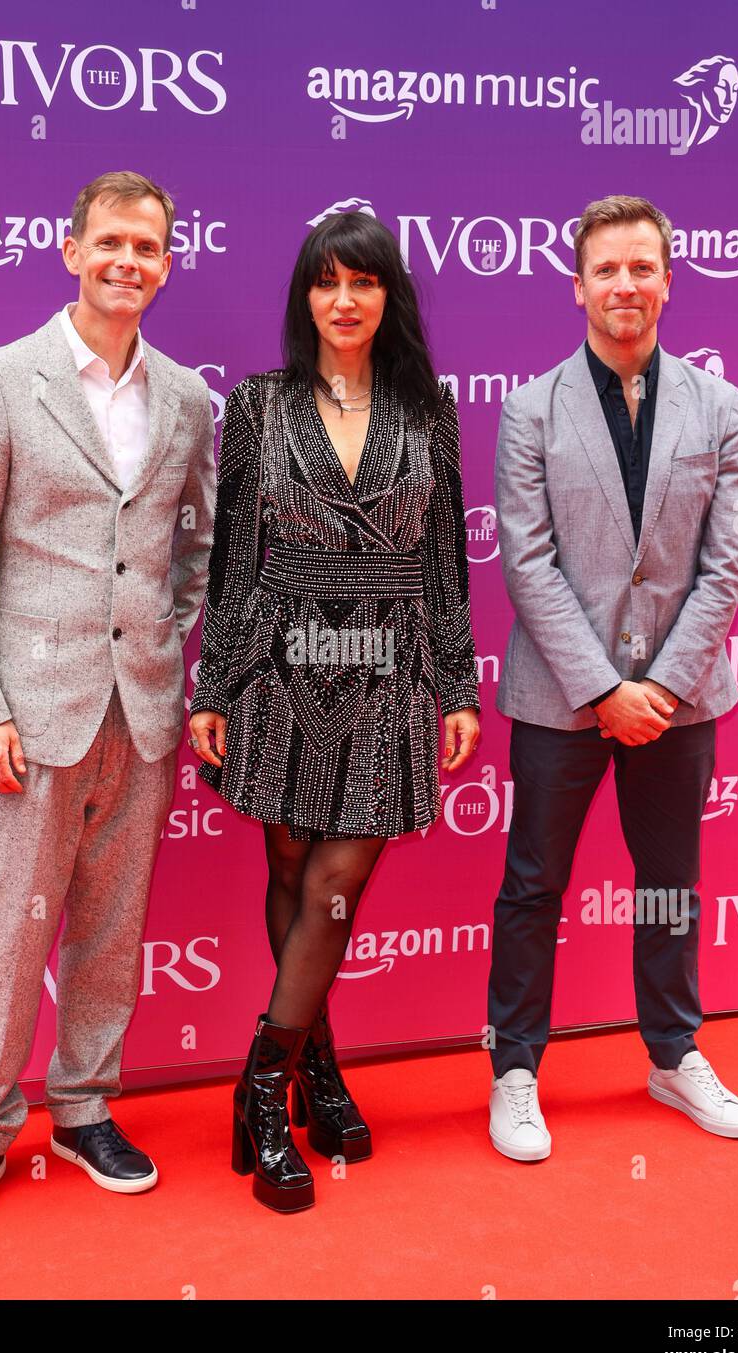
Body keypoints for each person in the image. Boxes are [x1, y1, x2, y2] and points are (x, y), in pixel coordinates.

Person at [0, 170, 215, 1233]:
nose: (127, 262)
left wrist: (161, 648)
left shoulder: (185, 398)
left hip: (139, 712)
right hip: (29, 714)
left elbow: (196, 545)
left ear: (168, 263)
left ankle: (87, 1105)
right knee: (8, 928)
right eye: (110, 243)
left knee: (109, 926)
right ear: (70, 248)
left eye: (147, 247)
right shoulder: (1, 379)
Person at [189, 211, 481, 1213]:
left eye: (364, 283)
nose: (345, 301)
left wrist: (458, 685)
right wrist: (213, 687)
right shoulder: (259, 407)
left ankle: (261, 1090)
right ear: (305, 298)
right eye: (327, 283)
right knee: (288, 865)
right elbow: (232, 562)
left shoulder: (429, 410)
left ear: (390, 297)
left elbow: (446, 563)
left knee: (341, 871)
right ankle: (318, 1072)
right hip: (281, 654)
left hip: (395, 660)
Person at [487, 194, 738, 1163]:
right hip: (563, 696)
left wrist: (665, 686)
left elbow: (725, 564)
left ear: (669, 281)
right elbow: (528, 562)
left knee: (669, 888)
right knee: (533, 885)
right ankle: (514, 1067)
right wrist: (605, 689)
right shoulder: (530, 409)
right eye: (608, 269)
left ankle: (674, 1052)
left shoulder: (720, 407)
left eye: (643, 267)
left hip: (680, 702)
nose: (626, 284)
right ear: (578, 286)